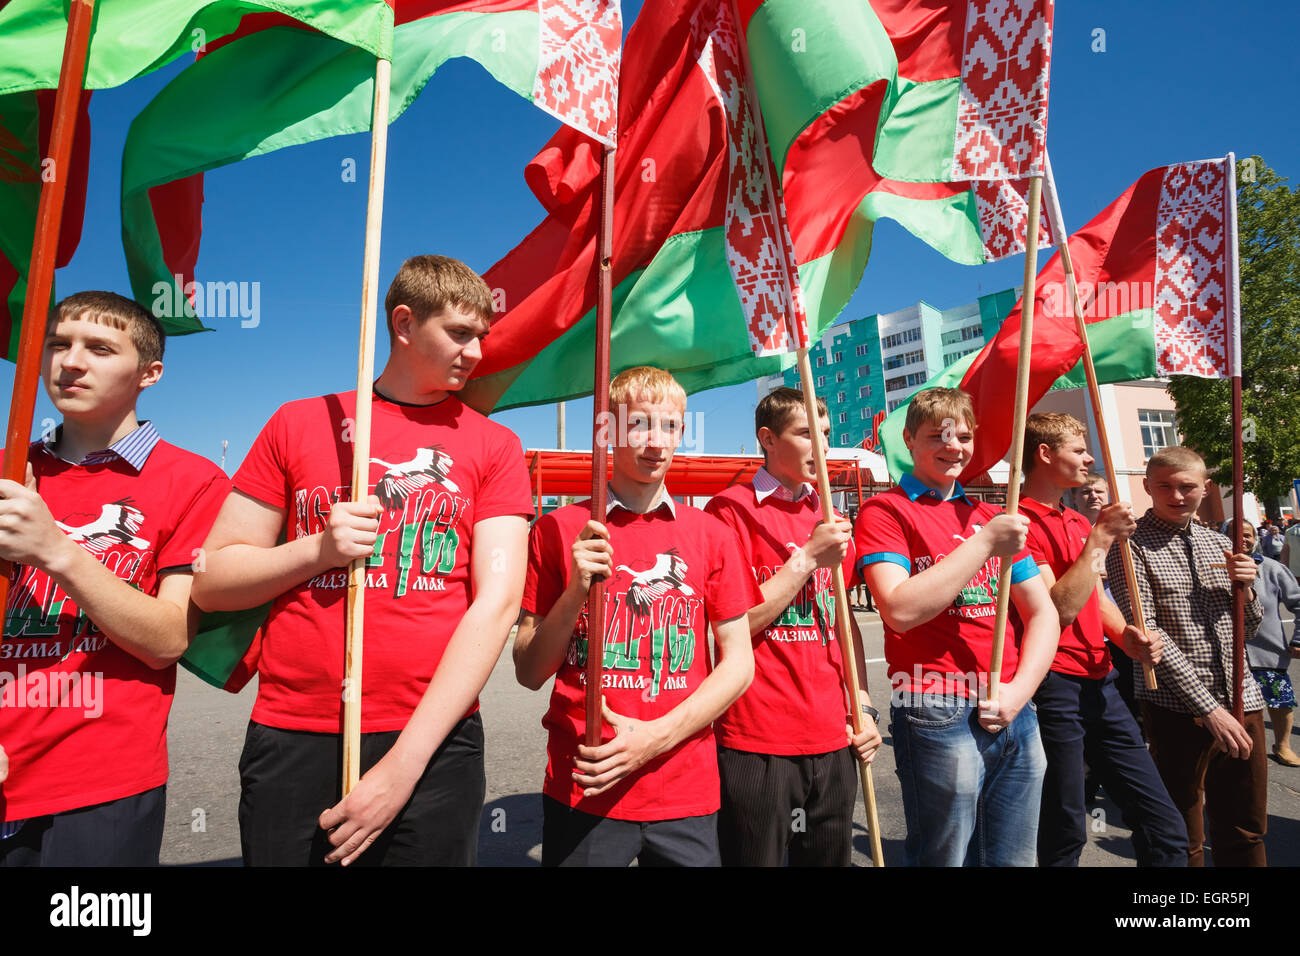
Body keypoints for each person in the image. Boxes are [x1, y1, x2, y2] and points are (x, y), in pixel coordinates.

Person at [192, 255, 533, 866]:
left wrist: (403, 767)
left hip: (435, 742)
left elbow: (498, 603)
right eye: (459, 333)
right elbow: (213, 581)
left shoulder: (494, 445)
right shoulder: (298, 424)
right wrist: (316, 550)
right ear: (404, 323)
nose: (477, 352)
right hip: (294, 732)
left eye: (482, 335)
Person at [0, 291, 229, 866]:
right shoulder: (10, 471)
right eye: (58, 344)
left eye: (99, 348)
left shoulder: (192, 481)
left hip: (102, 783)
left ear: (149, 373)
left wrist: (58, 551)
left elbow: (167, 639)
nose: (70, 361)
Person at [514, 366, 757, 866]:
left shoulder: (711, 534)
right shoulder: (559, 529)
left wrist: (653, 739)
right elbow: (528, 671)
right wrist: (575, 590)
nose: (655, 442)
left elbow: (738, 664)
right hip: (584, 784)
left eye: (669, 426)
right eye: (638, 424)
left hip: (685, 788)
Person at [854, 387, 1060, 866]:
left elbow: (1043, 613)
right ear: (908, 440)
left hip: (1012, 705)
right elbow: (899, 609)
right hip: (934, 704)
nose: (954, 446)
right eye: (938, 435)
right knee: (945, 857)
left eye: (964, 436)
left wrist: (1019, 693)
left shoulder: (991, 514)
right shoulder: (885, 511)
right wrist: (986, 542)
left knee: (1013, 858)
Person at [703, 387, 882, 866]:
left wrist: (863, 706)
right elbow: (732, 624)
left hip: (835, 734)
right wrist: (804, 559)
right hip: (757, 736)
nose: (822, 446)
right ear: (768, 438)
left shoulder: (830, 515)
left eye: (826, 433)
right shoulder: (728, 510)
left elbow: (845, 623)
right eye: (806, 434)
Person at [1017, 413, 1187, 866]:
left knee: (1165, 827)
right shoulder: (1017, 523)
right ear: (1045, 454)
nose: (1090, 457)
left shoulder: (1075, 520)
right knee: (1065, 825)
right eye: (1078, 449)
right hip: (1053, 686)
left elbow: (1094, 598)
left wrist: (1125, 636)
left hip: (1103, 680)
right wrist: (1102, 538)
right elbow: (1058, 609)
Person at [1106, 446, 1266, 866]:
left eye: (1187, 487)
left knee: (1246, 828)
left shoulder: (1222, 543)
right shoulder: (1129, 546)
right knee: (1181, 832)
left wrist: (1246, 591)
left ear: (1205, 488)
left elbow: (1247, 630)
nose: (1176, 496)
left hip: (1243, 697)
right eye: (1165, 487)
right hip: (1176, 707)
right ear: (1147, 487)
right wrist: (1209, 709)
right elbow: (1148, 633)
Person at [1234, 520, 1300, 766]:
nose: (1242, 539)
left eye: (1247, 535)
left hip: (1267, 651)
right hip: (1227, 654)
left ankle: (1282, 745)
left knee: (1280, 701)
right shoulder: (1211, 568)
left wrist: (1299, 638)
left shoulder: (1273, 569)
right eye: (1234, 534)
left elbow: (1298, 603)